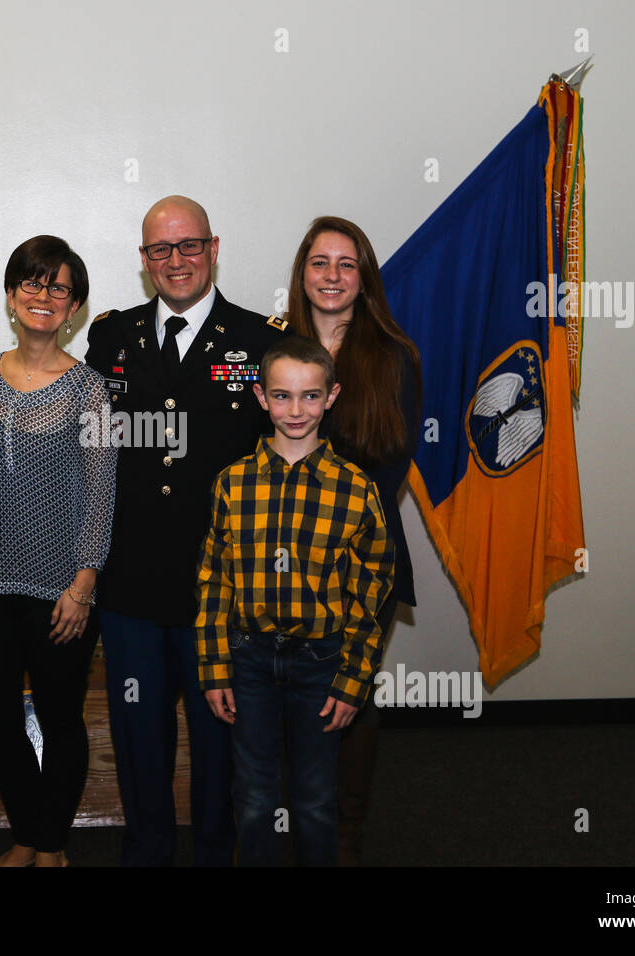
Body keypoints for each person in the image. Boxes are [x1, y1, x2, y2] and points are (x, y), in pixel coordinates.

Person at [84, 195, 287, 866]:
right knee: (139, 737)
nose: (176, 262)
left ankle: (214, 852)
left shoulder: (260, 341)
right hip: (132, 583)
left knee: (219, 735)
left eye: (189, 246)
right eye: (160, 250)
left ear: (214, 247)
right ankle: (146, 852)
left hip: (222, 585)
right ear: (144, 260)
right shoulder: (111, 339)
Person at [197, 335, 394, 866]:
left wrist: (354, 680)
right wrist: (215, 668)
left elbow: (372, 589)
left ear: (332, 396)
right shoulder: (231, 484)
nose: (296, 409)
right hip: (249, 660)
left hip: (321, 662)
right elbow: (214, 581)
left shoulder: (355, 488)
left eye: (310, 396)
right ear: (260, 397)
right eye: (282, 396)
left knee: (313, 800)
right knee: (255, 798)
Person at [0, 236, 117, 868]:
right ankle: (27, 834)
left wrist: (83, 587)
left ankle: (50, 844)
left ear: (75, 306)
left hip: (62, 592)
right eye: (31, 282)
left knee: (60, 719)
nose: (43, 296)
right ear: (9, 295)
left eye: (58, 287)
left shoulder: (94, 391)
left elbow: (102, 497)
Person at [281, 216, 422, 864]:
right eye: (320, 262)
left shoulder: (395, 356)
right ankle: (295, 824)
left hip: (360, 556)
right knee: (284, 696)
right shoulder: (273, 345)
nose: (332, 276)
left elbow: (393, 460)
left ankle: (345, 836)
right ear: (302, 273)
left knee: (349, 694)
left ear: (363, 277)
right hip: (277, 557)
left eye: (346, 263)